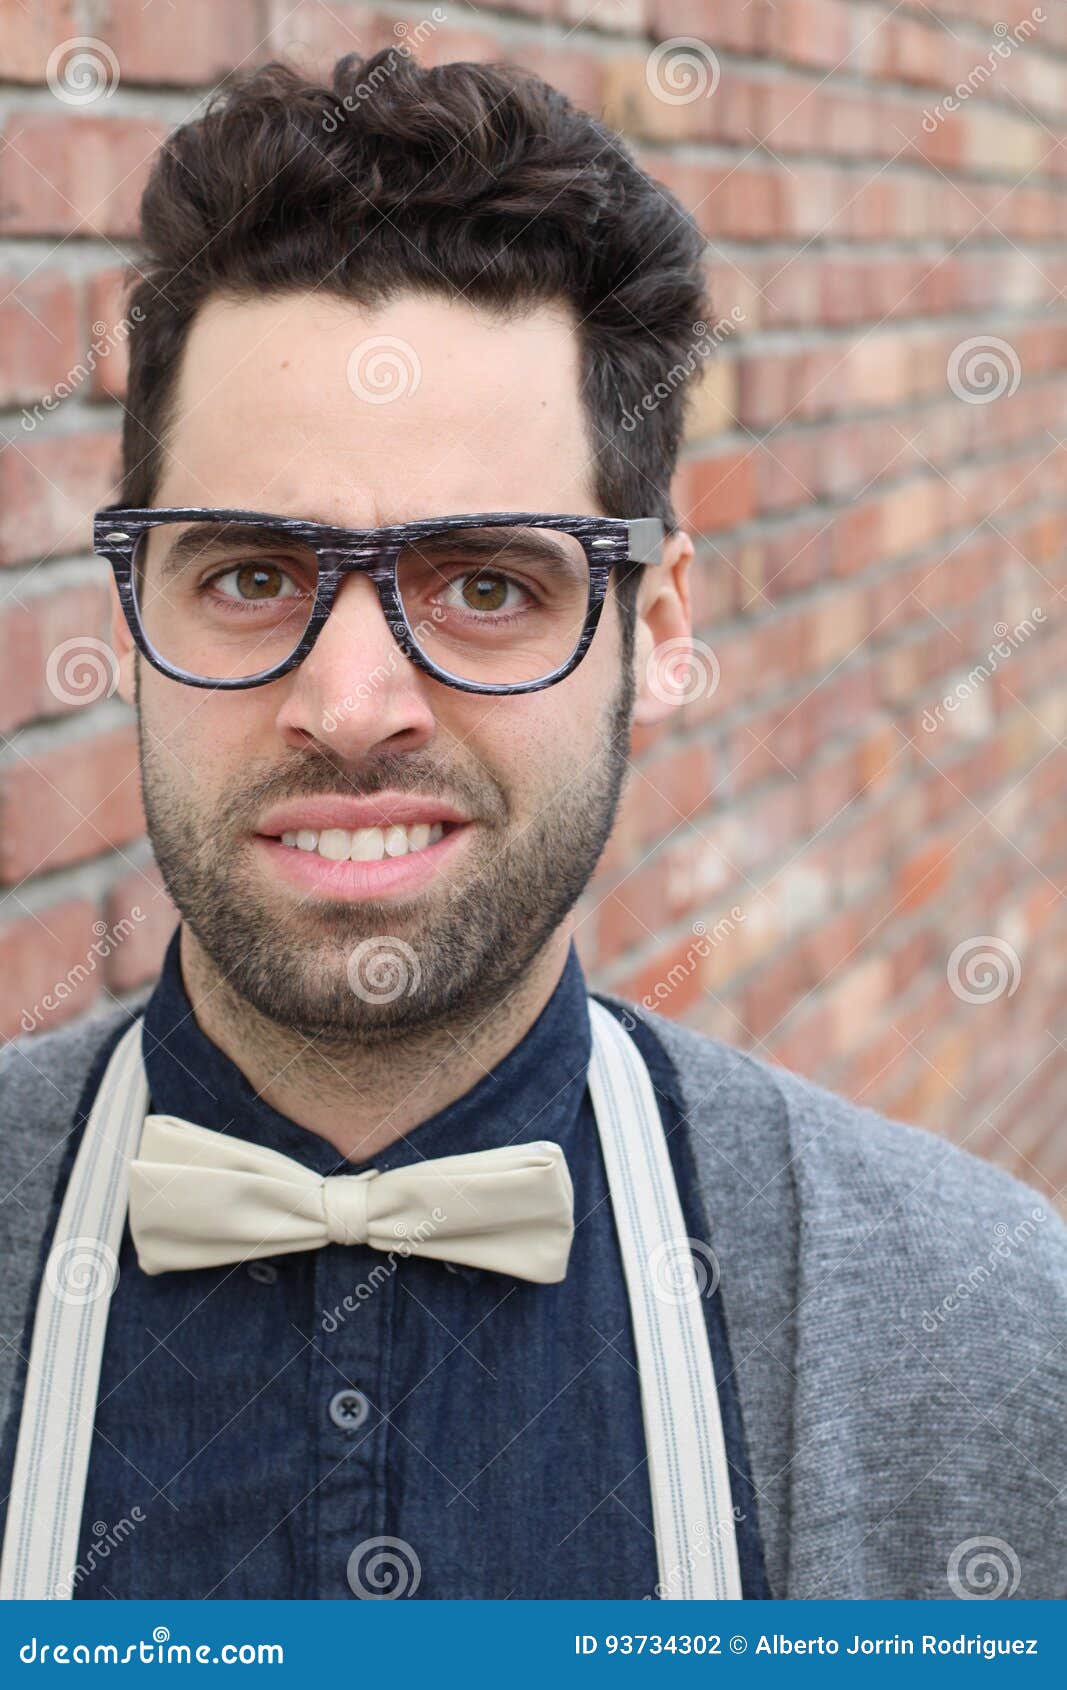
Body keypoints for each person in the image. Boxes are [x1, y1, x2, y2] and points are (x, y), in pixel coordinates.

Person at [1, 49, 1064, 1603]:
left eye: (488, 584)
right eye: (249, 576)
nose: (351, 702)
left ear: (662, 622)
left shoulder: (983, 1337)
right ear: (131, 608)